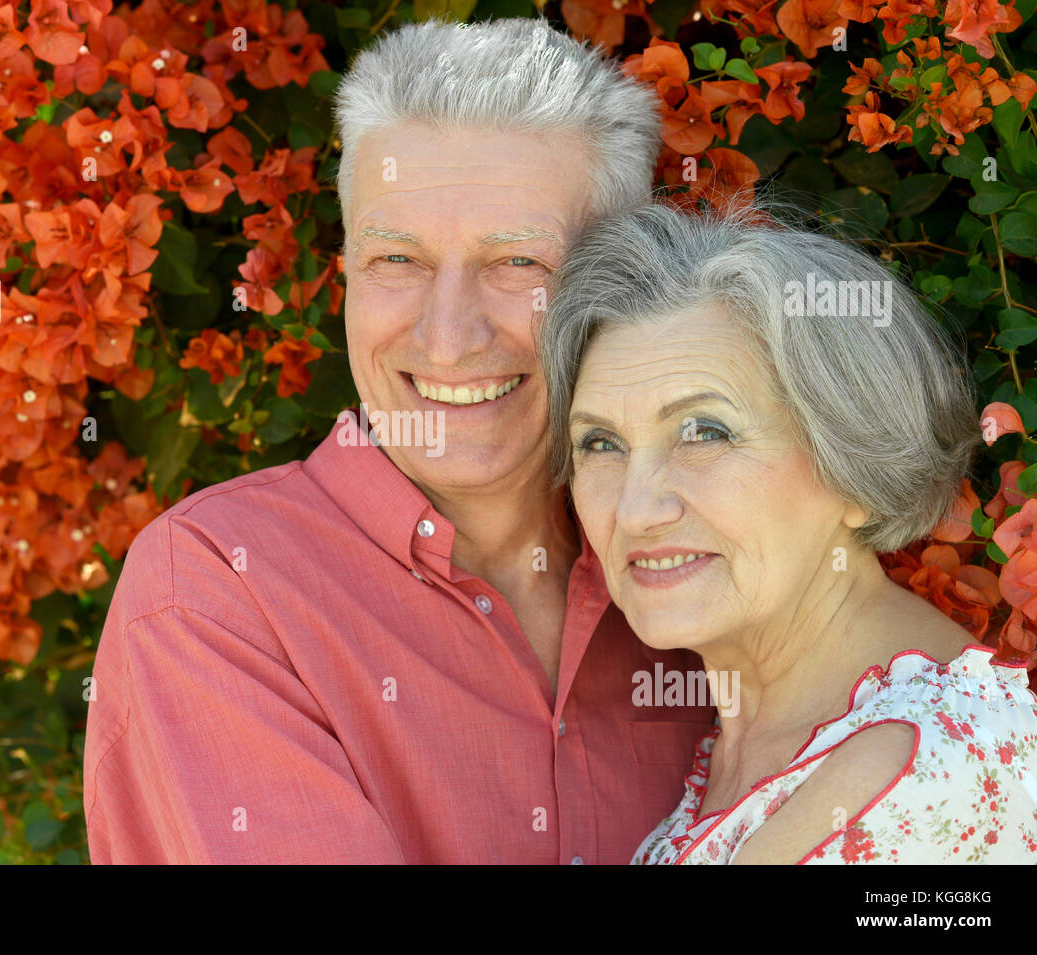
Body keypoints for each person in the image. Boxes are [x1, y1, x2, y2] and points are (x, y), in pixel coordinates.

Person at [82, 16, 713, 864]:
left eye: (519, 263)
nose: (448, 338)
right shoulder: (213, 591)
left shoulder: (697, 566)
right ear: (345, 273)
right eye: (399, 260)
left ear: (619, 288)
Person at [538, 198, 1037, 864]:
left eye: (705, 432)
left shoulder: (912, 780)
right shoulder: (769, 731)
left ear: (854, 466)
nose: (634, 508)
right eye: (600, 442)